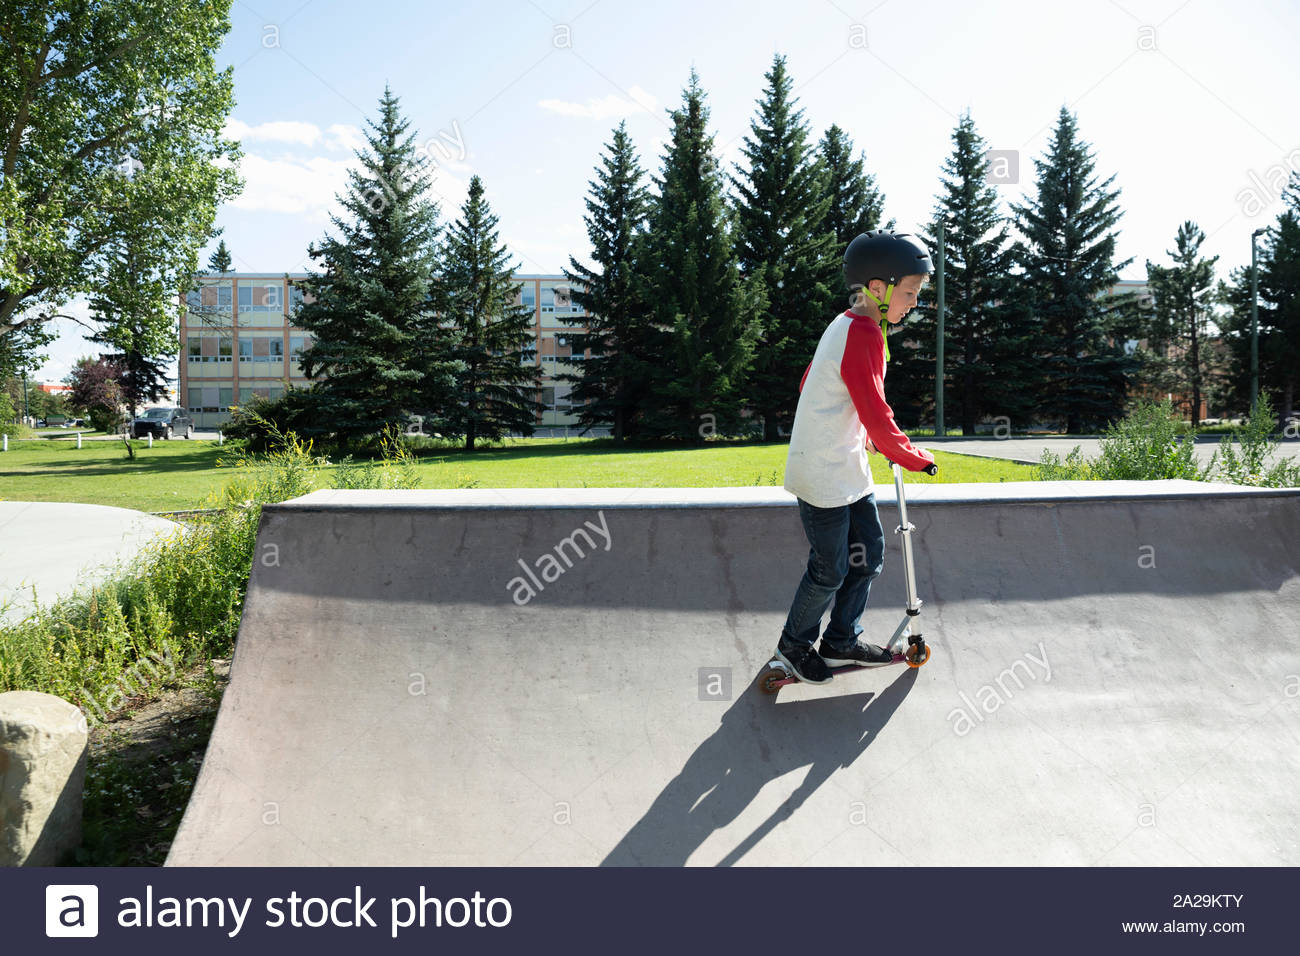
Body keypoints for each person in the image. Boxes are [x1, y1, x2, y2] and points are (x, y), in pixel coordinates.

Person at [776, 230, 939, 684]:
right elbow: (876, 409)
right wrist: (912, 457)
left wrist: (856, 431)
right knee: (830, 569)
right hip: (822, 473)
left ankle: (840, 640)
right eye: (910, 293)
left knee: (868, 557)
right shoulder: (861, 333)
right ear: (878, 288)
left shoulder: (853, 324)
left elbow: (813, 380)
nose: (914, 302)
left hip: (846, 465)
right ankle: (792, 647)